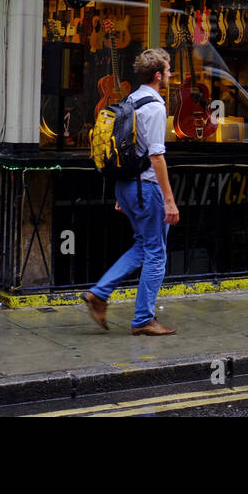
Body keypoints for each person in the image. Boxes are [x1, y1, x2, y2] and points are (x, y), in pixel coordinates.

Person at [81, 49, 181, 335]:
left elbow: (123, 150)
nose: (171, 74)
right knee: (156, 255)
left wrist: (122, 196)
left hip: (126, 186)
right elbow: (156, 157)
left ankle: (100, 293)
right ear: (159, 75)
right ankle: (143, 320)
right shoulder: (156, 107)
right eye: (169, 69)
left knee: (144, 245)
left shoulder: (130, 100)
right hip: (146, 188)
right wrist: (170, 201)